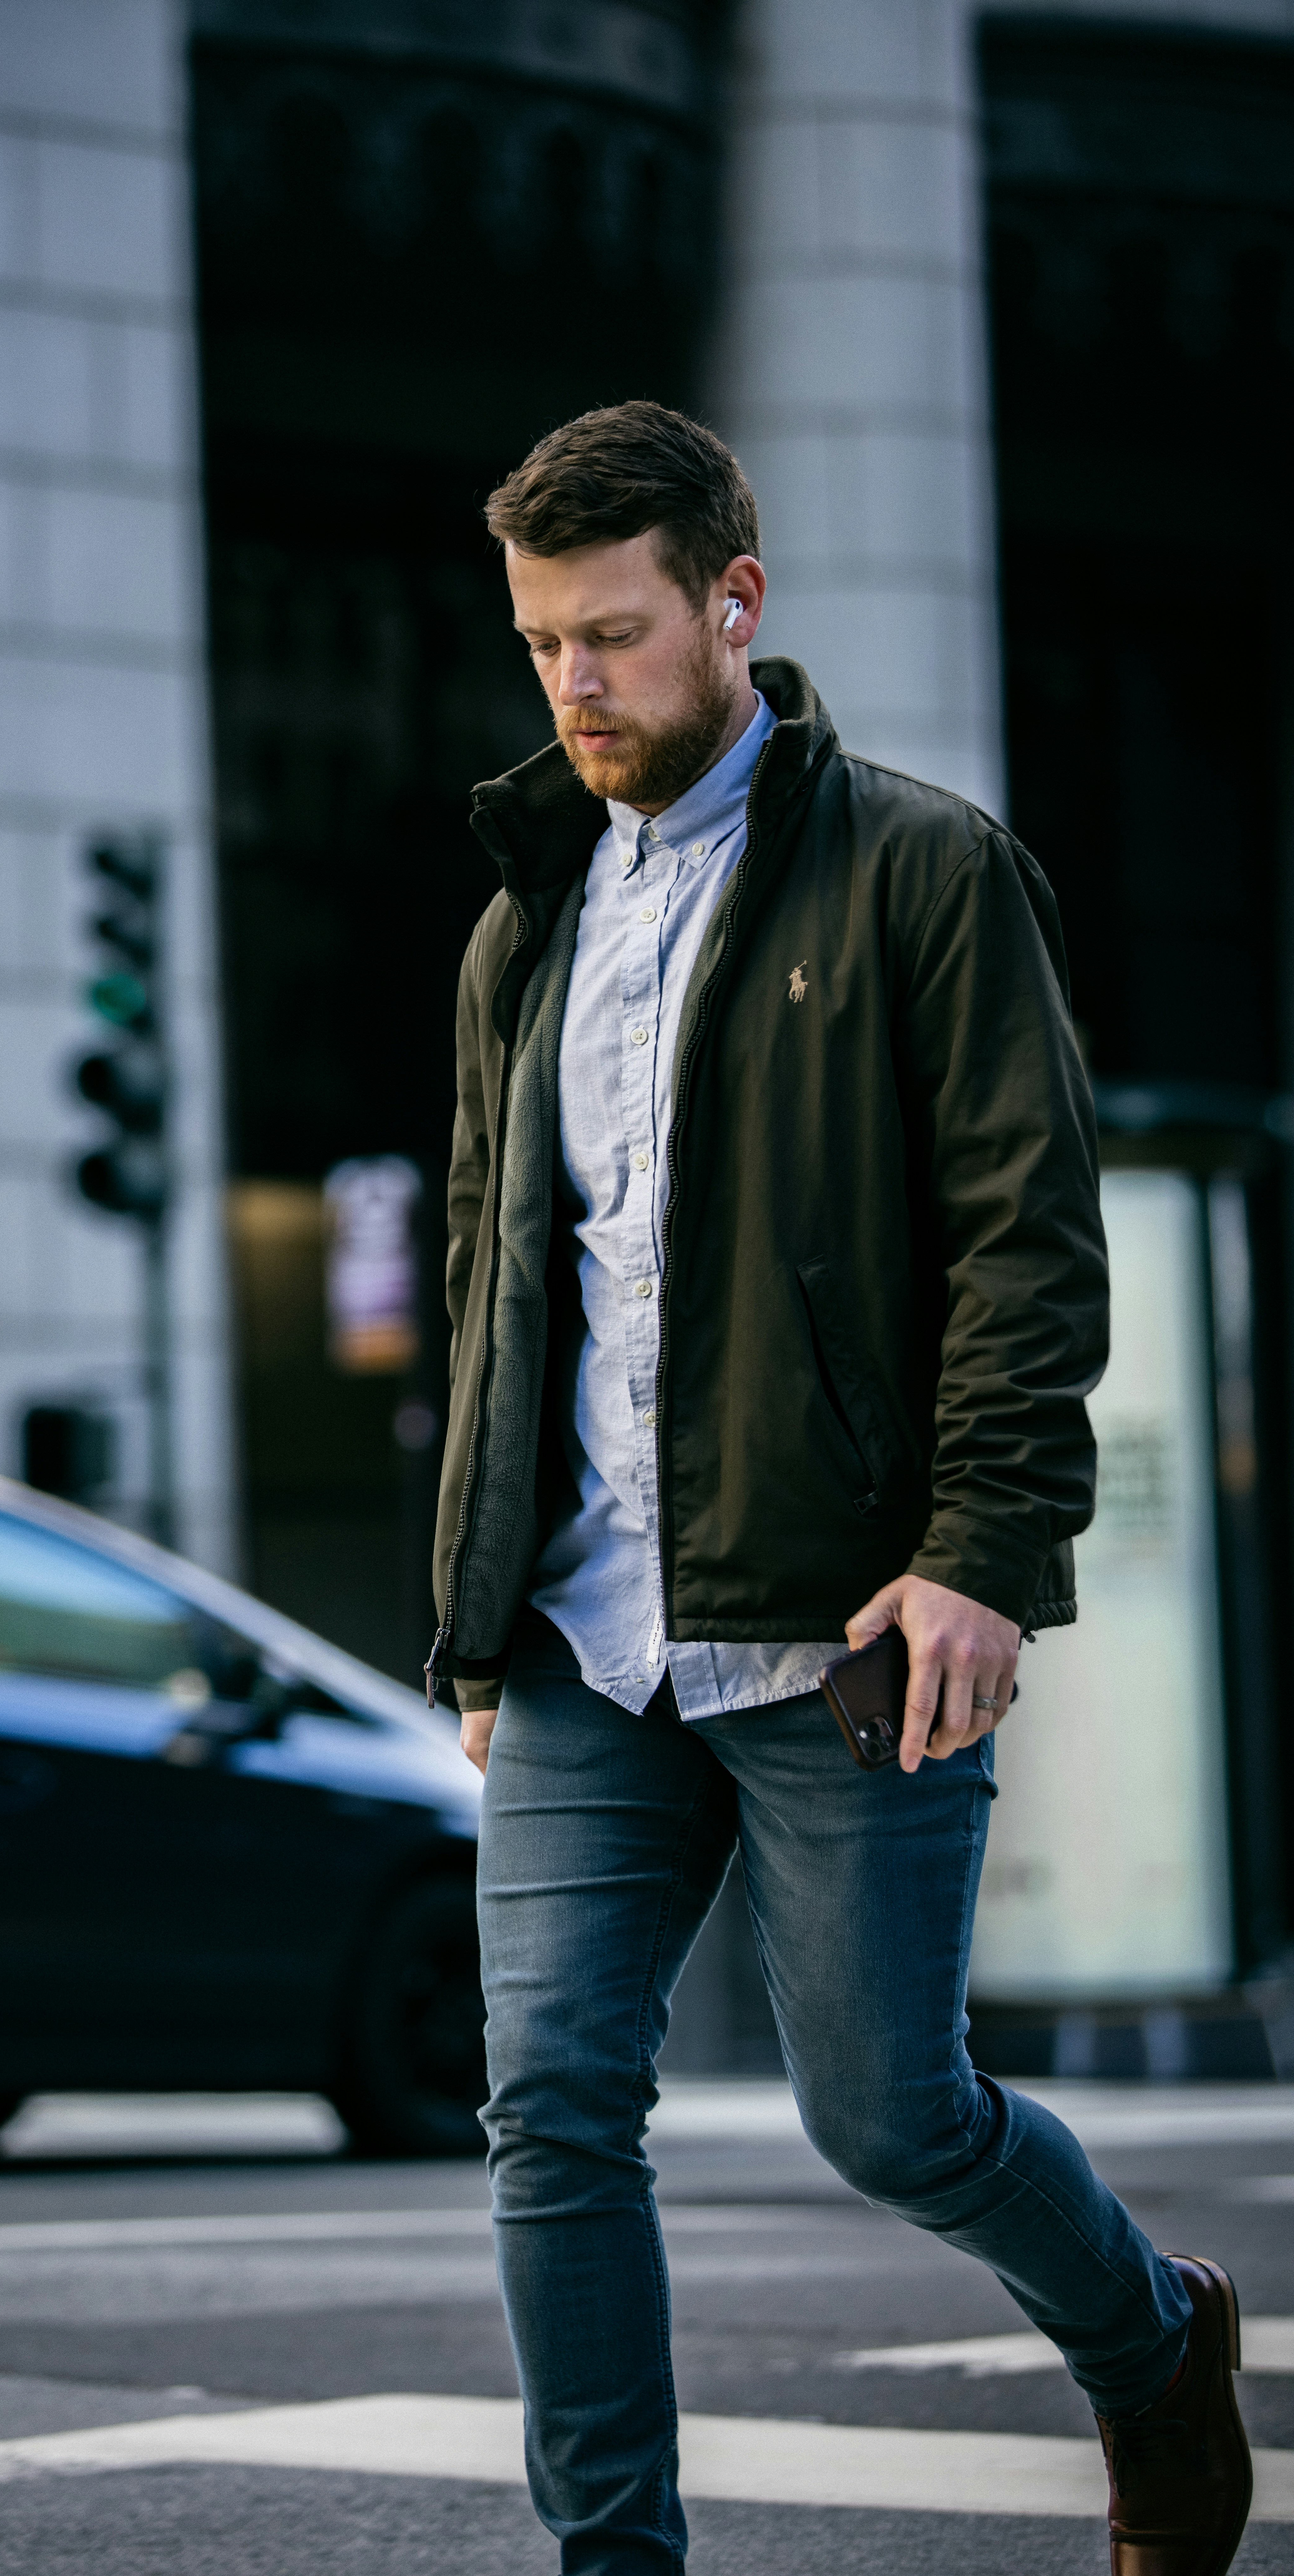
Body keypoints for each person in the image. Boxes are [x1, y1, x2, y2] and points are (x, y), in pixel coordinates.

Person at [426, 400, 1252, 2576]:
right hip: (589, 1636)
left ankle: (1152, 2343)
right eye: (539, 648)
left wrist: (979, 1555)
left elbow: (1025, 1244)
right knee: (550, 2114)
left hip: (843, 1624)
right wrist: (476, 1609)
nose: (576, 686)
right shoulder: (527, 920)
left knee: (890, 2116)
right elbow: (493, 1273)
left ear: (733, 605)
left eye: (611, 636)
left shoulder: (918, 868)